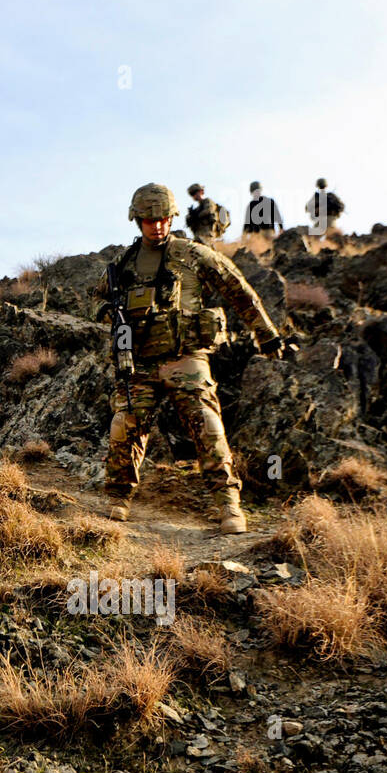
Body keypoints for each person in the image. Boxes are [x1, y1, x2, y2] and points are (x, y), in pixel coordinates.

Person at [97, 183, 290, 534]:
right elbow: (100, 301)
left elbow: (237, 287)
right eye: (148, 220)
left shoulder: (192, 253)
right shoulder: (123, 263)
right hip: (140, 362)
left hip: (186, 357)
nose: (156, 226)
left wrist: (266, 333)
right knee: (124, 426)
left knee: (207, 425)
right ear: (136, 220)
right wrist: (109, 312)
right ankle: (118, 497)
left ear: (172, 217)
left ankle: (229, 504)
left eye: (162, 219)